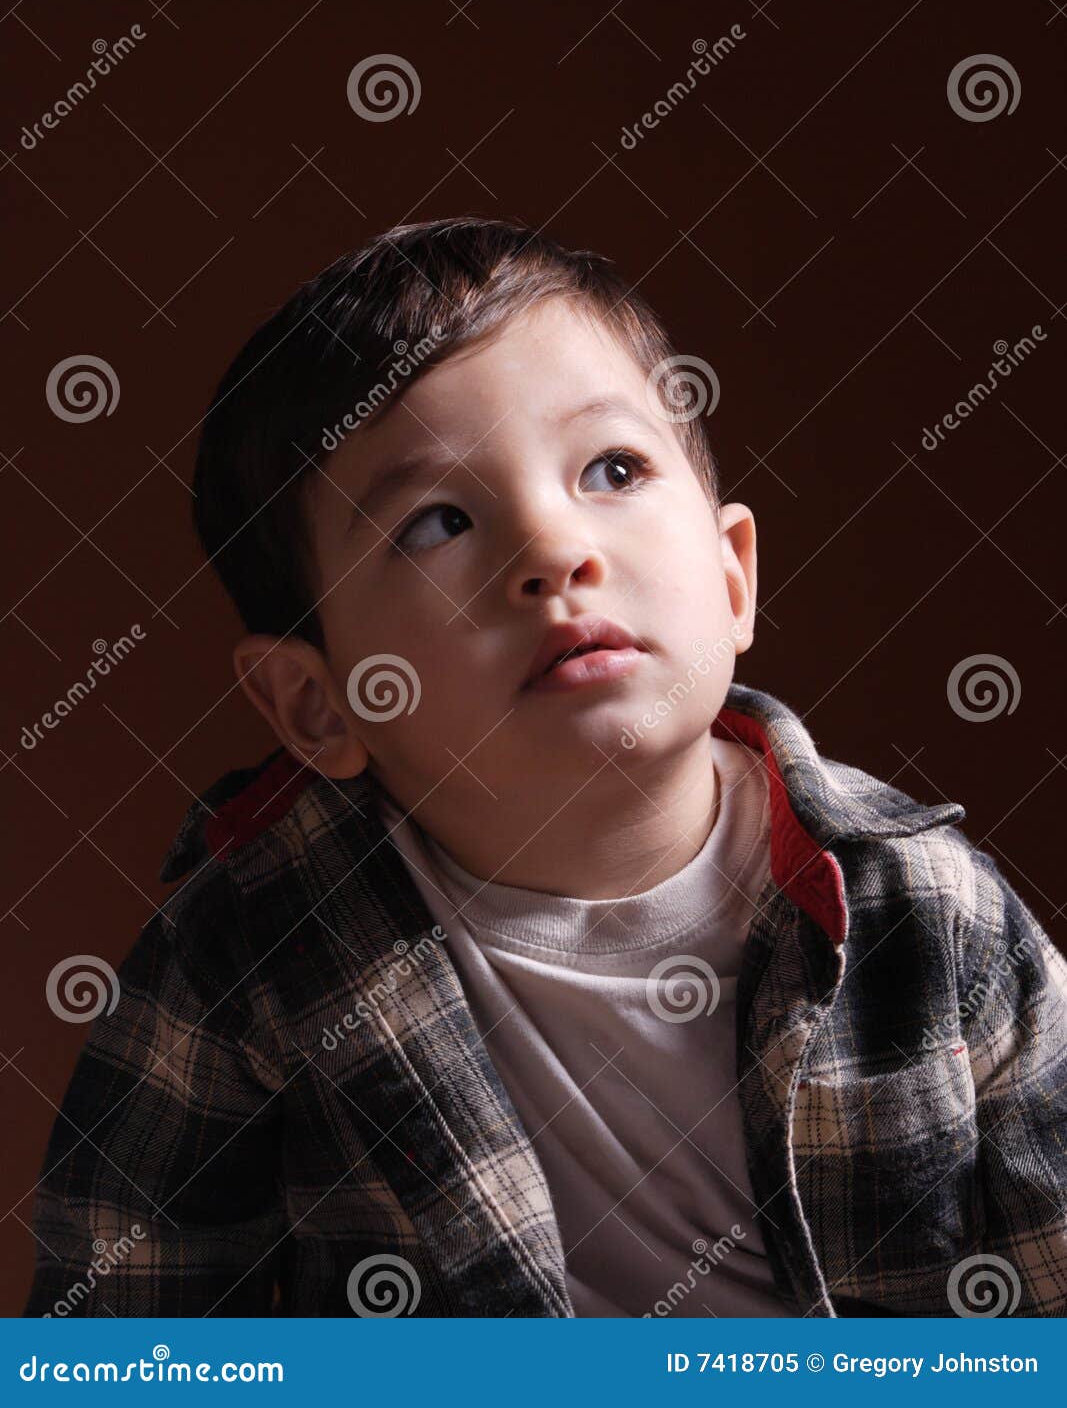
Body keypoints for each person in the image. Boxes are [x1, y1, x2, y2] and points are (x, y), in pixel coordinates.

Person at [23, 217, 1067, 1318]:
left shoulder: (923, 911)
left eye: (610, 468)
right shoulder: (250, 951)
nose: (551, 551)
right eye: (437, 522)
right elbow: (118, 1339)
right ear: (317, 703)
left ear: (730, 578)